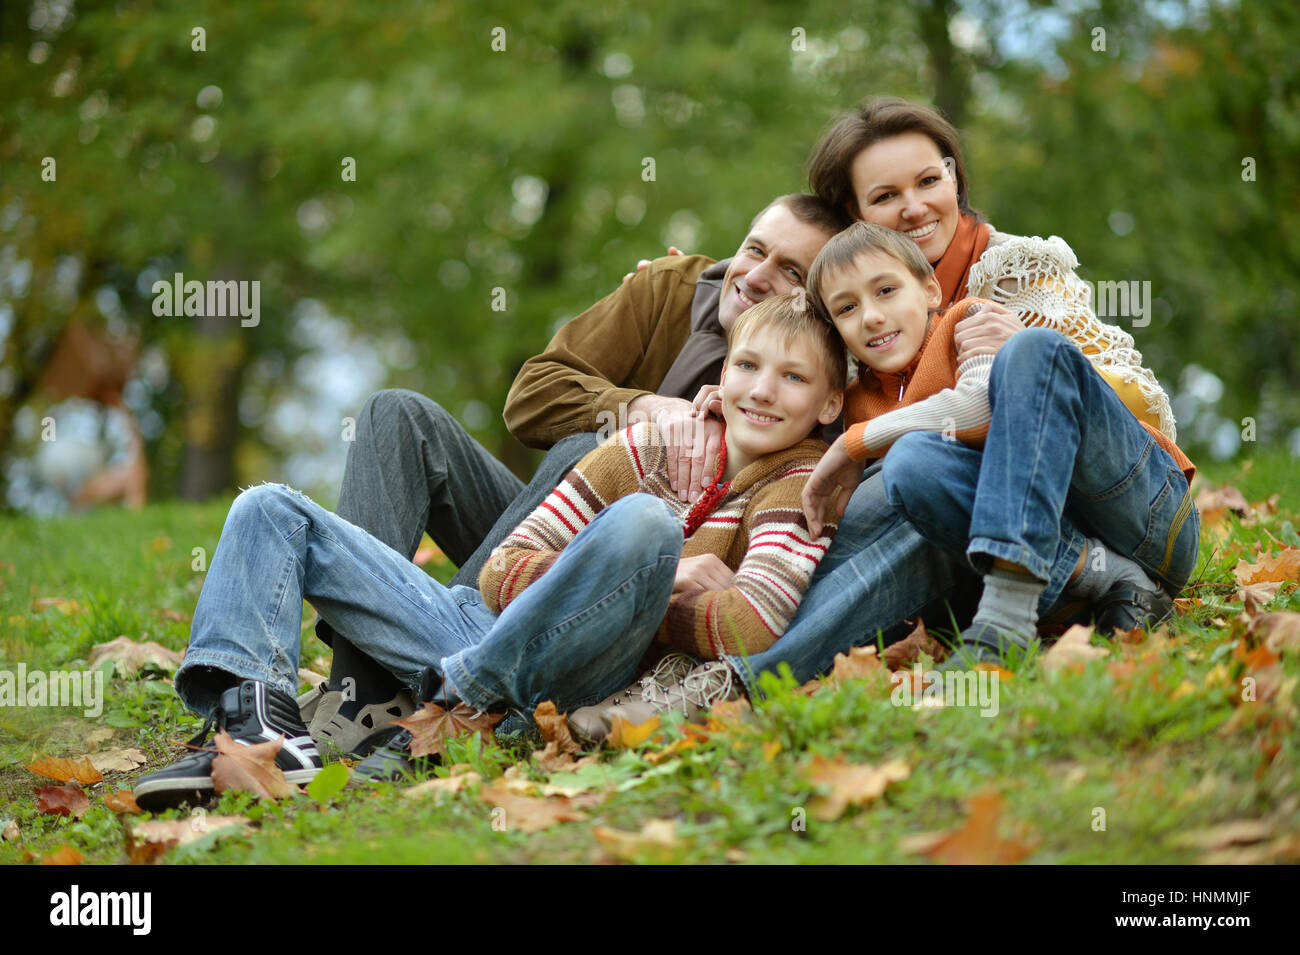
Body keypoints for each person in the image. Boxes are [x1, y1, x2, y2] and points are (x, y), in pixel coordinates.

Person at [131, 293, 844, 808]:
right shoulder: (651, 442)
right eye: (748, 366)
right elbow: (504, 568)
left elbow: (751, 624)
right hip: (471, 629)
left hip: (578, 669)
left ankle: (466, 701)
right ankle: (258, 721)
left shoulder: (798, 483)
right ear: (721, 378)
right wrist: (670, 583)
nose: (763, 390)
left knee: (647, 527)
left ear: (830, 403)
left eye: (793, 377)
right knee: (268, 507)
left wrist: (639, 583)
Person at [303, 194, 851, 757]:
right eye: (754, 250)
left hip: (624, 601)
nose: (757, 277)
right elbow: (531, 396)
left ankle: (450, 690)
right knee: (398, 415)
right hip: (540, 536)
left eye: (791, 273)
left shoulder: (814, 395)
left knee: (582, 450)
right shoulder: (669, 290)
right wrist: (642, 407)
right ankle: (360, 685)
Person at [712, 96, 1194, 693]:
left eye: (928, 181)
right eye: (886, 196)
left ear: (954, 179)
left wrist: (1025, 371)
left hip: (1132, 506)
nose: (914, 208)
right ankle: (735, 675)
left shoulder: (1011, 273)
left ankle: (1004, 626)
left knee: (1026, 358)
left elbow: (1137, 404)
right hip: (1025, 554)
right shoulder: (859, 346)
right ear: (854, 215)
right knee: (908, 465)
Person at [796, 221, 1197, 669]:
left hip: (1140, 520)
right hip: (1061, 590)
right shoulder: (860, 401)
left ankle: (1005, 622)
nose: (870, 315)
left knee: (1033, 350)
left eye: (886, 291)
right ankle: (1100, 577)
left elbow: (979, 408)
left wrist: (856, 444)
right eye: (847, 308)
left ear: (930, 290)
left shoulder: (967, 321)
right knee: (910, 465)